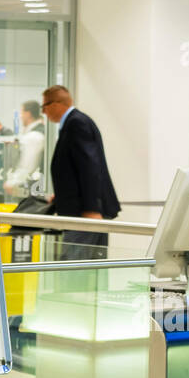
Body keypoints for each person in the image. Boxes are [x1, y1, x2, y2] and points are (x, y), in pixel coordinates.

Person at [41, 85, 119, 253]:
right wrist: (62, 194)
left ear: (55, 104)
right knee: (89, 270)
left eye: (44, 106)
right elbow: (76, 168)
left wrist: (92, 208)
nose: (43, 112)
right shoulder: (74, 122)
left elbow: (90, 168)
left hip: (85, 212)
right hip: (82, 208)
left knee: (73, 267)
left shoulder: (76, 123)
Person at [6, 99, 45, 196]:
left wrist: (12, 182)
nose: (21, 116)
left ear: (28, 114)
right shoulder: (40, 131)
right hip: (41, 185)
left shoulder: (34, 135)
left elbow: (28, 165)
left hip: (37, 187)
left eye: (22, 112)